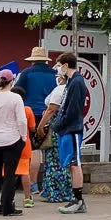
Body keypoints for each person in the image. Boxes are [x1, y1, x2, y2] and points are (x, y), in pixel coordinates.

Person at [0, 68, 28, 217]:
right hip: (11, 139)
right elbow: (22, 120)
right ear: (12, 81)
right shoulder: (16, 98)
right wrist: (23, 137)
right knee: (9, 175)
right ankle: (8, 207)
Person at [52, 51, 88, 215]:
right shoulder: (71, 82)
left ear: (66, 65)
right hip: (67, 129)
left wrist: (59, 123)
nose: (58, 69)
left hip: (72, 129)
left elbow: (72, 109)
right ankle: (75, 198)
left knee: (75, 163)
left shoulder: (77, 82)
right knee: (71, 164)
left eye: (59, 66)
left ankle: (78, 199)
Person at [38, 70, 74, 204]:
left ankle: (55, 192)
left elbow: (51, 109)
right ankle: (64, 191)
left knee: (54, 160)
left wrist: (41, 125)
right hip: (66, 127)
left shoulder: (60, 90)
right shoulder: (71, 89)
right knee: (63, 159)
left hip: (55, 128)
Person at [14, 46, 58, 125]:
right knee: (47, 137)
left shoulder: (26, 73)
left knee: (29, 136)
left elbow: (16, 92)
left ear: (32, 60)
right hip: (48, 114)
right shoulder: (54, 74)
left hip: (30, 113)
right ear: (45, 60)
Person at [11, 85, 37, 208]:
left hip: (9, 143)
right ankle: (27, 198)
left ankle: (8, 197)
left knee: (8, 172)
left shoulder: (8, 110)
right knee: (24, 172)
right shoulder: (27, 110)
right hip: (24, 144)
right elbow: (32, 128)